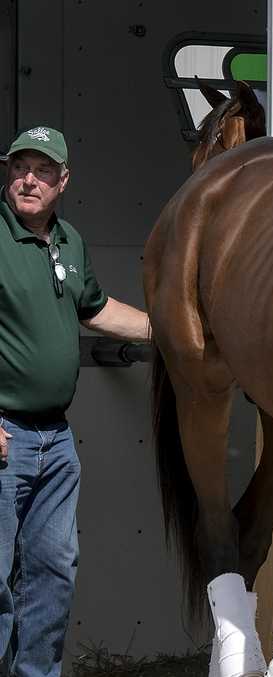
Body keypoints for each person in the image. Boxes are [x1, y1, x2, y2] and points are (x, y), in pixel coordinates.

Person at [0, 126, 151, 676]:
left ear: (63, 180)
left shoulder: (69, 242)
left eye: (42, 170)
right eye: (19, 168)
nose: (28, 179)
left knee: (53, 572)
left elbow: (94, 307)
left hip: (55, 441)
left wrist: (167, 330)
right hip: (4, 434)